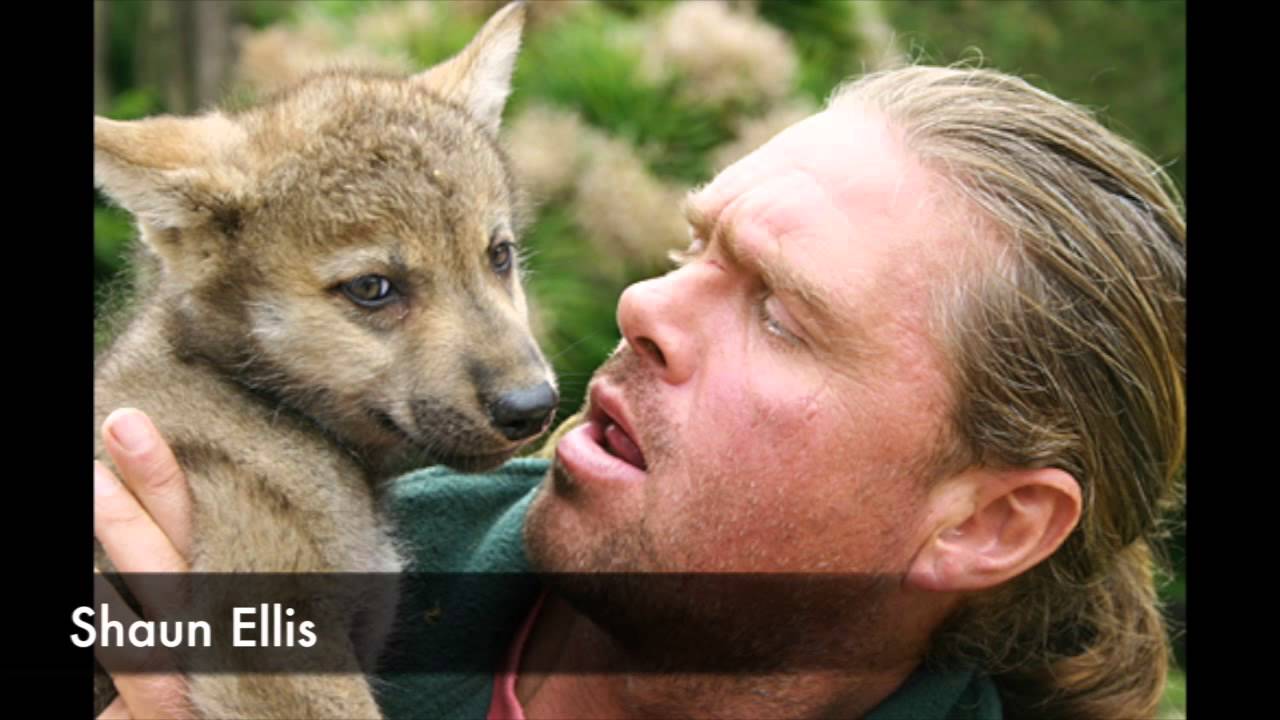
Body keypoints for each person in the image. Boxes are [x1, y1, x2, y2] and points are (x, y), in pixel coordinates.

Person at [93, 65, 1185, 720]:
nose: (640, 306)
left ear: (990, 521)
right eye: (688, 247)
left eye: (779, 312)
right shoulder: (276, 544)